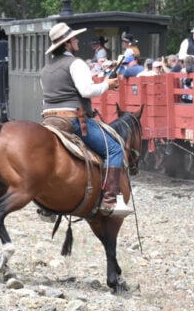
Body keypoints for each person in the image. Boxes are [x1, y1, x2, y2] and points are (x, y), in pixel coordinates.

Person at [39, 23, 130, 217]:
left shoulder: (46, 69)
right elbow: (87, 91)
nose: (77, 41)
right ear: (68, 43)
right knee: (115, 149)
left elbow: (46, 98)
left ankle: (46, 206)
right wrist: (107, 84)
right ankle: (110, 199)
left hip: (49, 121)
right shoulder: (76, 63)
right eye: (74, 39)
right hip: (72, 120)